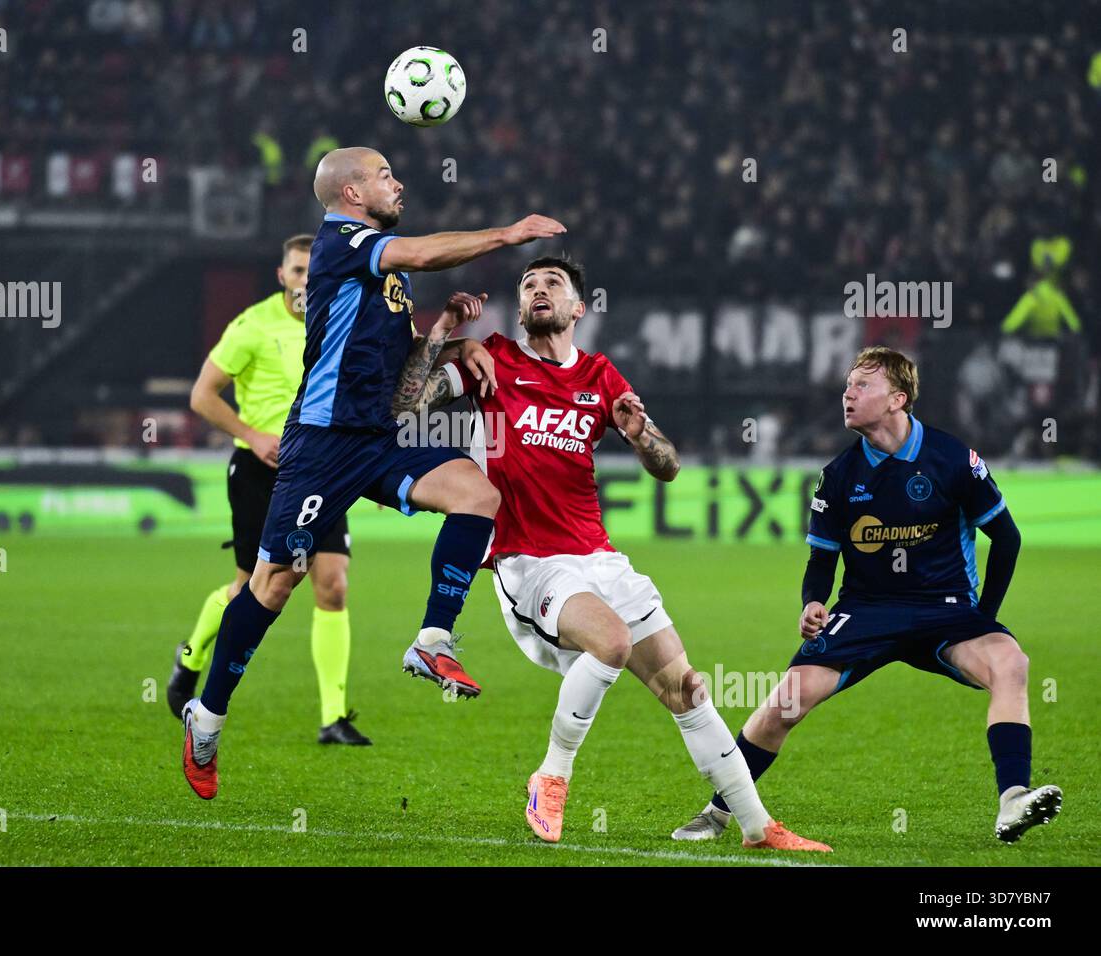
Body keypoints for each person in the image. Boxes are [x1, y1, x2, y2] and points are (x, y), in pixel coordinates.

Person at [180, 146, 565, 799]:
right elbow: (418, 252)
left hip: (379, 438)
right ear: (352, 192)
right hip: (322, 445)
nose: (399, 182)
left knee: (478, 495)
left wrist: (446, 332)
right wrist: (506, 233)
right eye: (386, 174)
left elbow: (406, 387)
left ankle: (433, 638)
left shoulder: (386, 276)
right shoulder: (341, 242)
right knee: (273, 587)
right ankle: (207, 715)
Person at [411, 257, 829, 850]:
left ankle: (758, 828)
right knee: (610, 643)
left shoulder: (600, 375)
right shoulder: (494, 359)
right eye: (528, 284)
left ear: (578, 308)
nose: (538, 290)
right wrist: (443, 336)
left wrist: (640, 436)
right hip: (528, 559)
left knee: (687, 690)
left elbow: (668, 466)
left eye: (552, 283)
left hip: (600, 558)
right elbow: (409, 404)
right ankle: (551, 776)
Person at [672, 347, 1060, 844]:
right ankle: (718, 812)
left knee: (1013, 663)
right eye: (846, 386)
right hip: (865, 612)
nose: (847, 395)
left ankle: (1012, 802)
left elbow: (1007, 538)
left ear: (898, 398)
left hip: (944, 609)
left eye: (862, 385)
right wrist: (813, 601)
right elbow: (821, 559)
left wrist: (982, 618)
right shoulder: (838, 476)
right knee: (786, 702)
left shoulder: (952, 458)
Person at [167, 235, 368, 744]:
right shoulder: (252, 325)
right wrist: (252, 436)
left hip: (320, 470)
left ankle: (333, 717)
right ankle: (191, 655)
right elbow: (201, 395)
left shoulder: (339, 323)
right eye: (296, 271)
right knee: (248, 590)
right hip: (260, 470)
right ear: (282, 276)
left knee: (334, 585)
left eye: (312, 271)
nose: (305, 281)